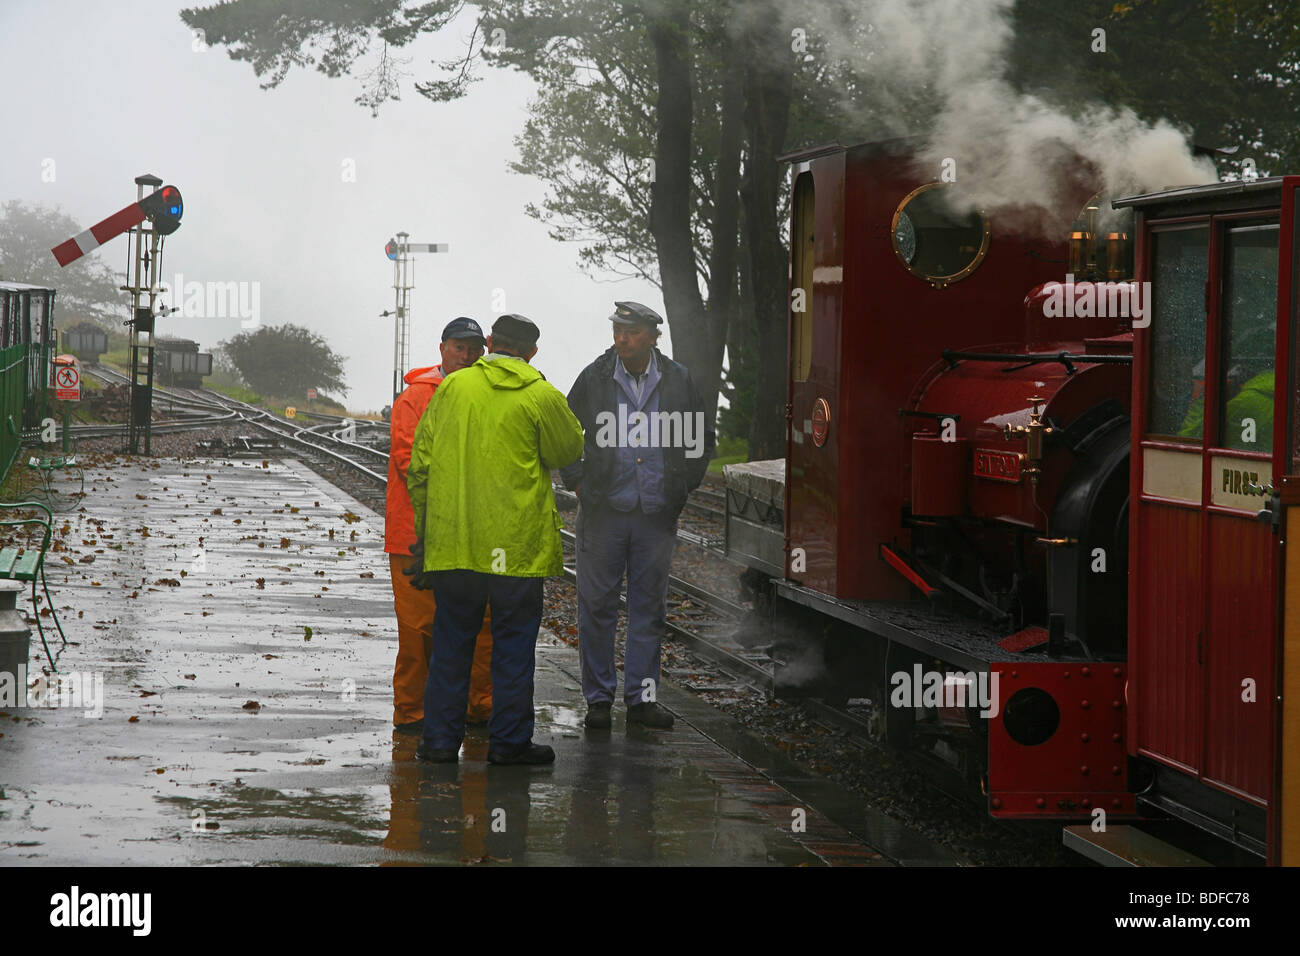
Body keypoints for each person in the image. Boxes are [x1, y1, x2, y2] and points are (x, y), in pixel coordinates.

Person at [407, 314, 584, 764]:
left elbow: (420, 467)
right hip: (517, 551)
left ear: (489, 343)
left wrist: (426, 536)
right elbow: (568, 451)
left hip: (456, 546)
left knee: (451, 646)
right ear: (532, 352)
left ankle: (439, 743)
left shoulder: (453, 388)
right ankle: (508, 744)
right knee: (513, 646)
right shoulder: (541, 394)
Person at [560, 301, 714, 730]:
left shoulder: (678, 380)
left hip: (655, 514)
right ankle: (598, 701)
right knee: (597, 607)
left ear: (651, 335)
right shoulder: (594, 377)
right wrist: (577, 482)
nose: (621, 338)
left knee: (649, 609)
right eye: (616, 330)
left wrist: (681, 487)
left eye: (630, 331)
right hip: (604, 511)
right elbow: (566, 431)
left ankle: (642, 701)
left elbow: (701, 438)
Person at [385, 317, 495, 734]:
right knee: (418, 631)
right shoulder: (415, 397)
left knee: (482, 624)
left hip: (471, 535)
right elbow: (409, 460)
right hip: (414, 534)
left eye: (473, 349)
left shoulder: (484, 394)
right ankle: (412, 713)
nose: (466, 356)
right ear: (442, 348)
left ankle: (479, 707)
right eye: (458, 348)